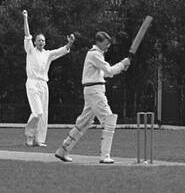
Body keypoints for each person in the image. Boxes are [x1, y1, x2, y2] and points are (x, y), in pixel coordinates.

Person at [54, 31, 130, 164]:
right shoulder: (95, 54)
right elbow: (109, 70)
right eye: (106, 44)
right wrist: (122, 64)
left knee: (84, 122)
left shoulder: (96, 55)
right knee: (109, 120)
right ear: (98, 42)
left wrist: (121, 67)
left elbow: (105, 74)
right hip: (95, 92)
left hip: (92, 90)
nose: (108, 47)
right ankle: (104, 155)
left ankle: (63, 150)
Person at [21, 8, 75, 147]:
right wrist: (25, 18)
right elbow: (27, 35)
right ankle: (29, 135)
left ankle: (39, 140)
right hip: (32, 83)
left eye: (43, 41)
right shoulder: (30, 50)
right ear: (35, 42)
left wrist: (70, 43)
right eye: (39, 40)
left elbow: (61, 51)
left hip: (43, 84)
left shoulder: (47, 54)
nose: (41, 42)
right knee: (37, 112)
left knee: (43, 114)